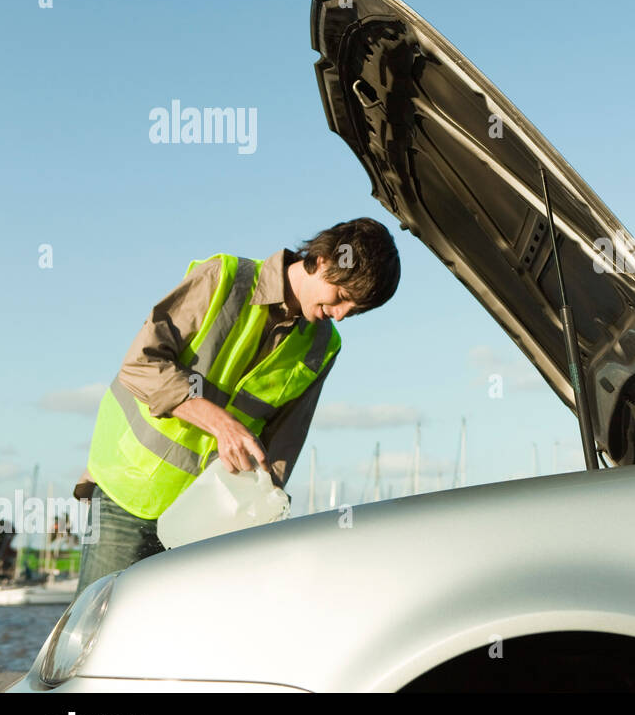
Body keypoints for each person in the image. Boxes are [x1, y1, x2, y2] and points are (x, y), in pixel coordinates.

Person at [74, 217, 400, 596]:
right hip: (127, 491)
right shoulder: (223, 278)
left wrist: (264, 518)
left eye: (355, 310)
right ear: (323, 260)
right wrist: (218, 421)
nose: (341, 314)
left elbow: (281, 448)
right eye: (342, 296)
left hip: (201, 522)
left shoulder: (323, 346)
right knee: (93, 639)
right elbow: (140, 366)